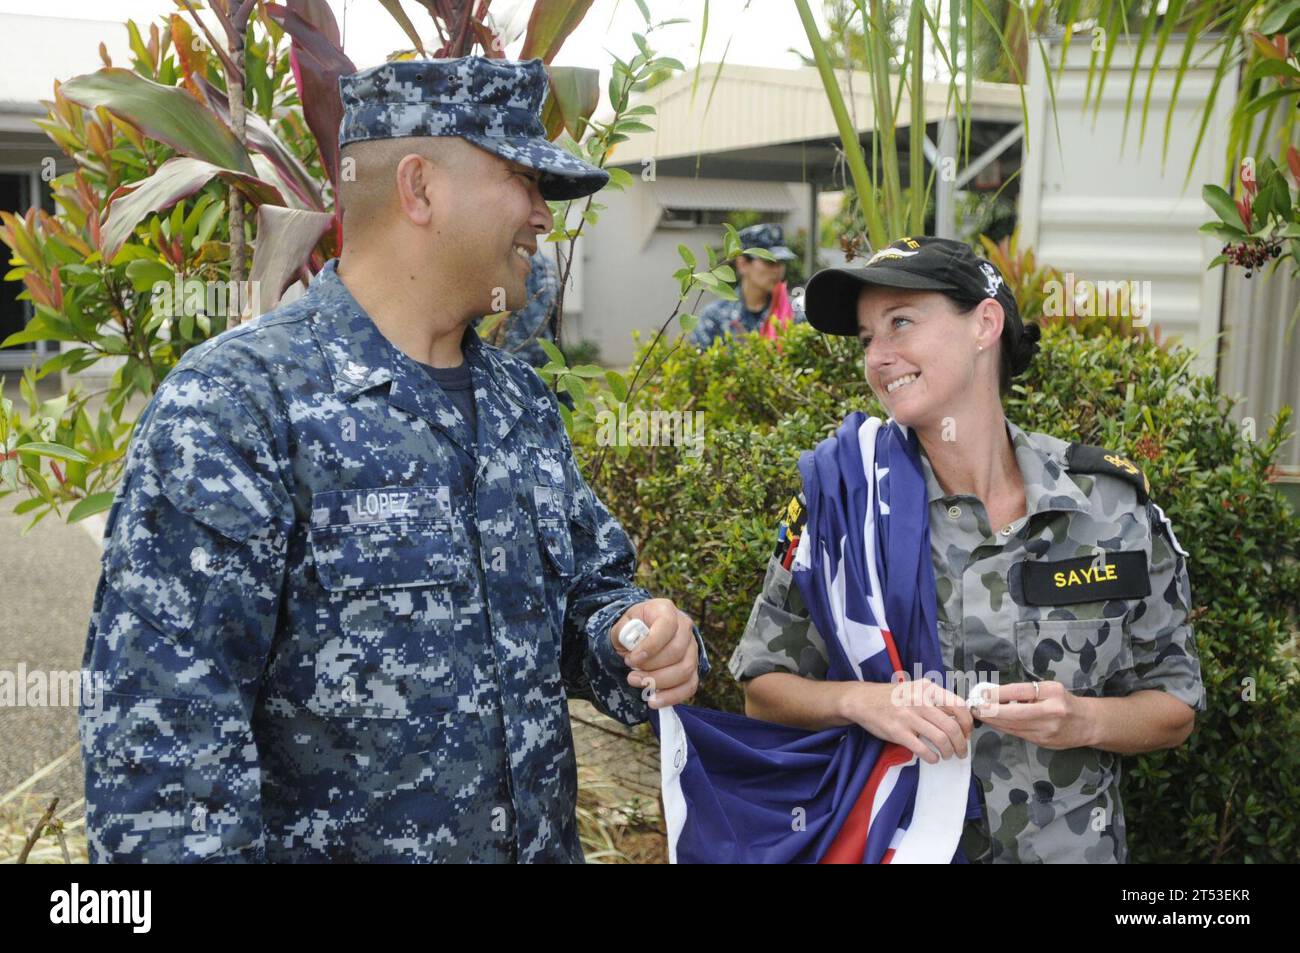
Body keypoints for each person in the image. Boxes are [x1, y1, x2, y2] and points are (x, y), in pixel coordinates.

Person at [78, 55, 707, 863]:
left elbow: (587, 593)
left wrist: (633, 633)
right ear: (419, 188)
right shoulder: (238, 410)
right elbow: (161, 769)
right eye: (522, 179)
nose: (541, 217)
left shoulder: (520, 404)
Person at [728, 235, 1205, 863]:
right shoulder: (844, 506)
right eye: (869, 338)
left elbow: (1174, 705)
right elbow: (764, 689)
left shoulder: (1109, 506)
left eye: (900, 322)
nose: (879, 357)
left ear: (984, 324)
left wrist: (1082, 720)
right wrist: (865, 702)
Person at [689, 222, 805, 349]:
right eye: (769, 262)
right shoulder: (714, 317)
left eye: (781, 262)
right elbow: (700, 365)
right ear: (743, 264)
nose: (777, 270)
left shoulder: (795, 313)